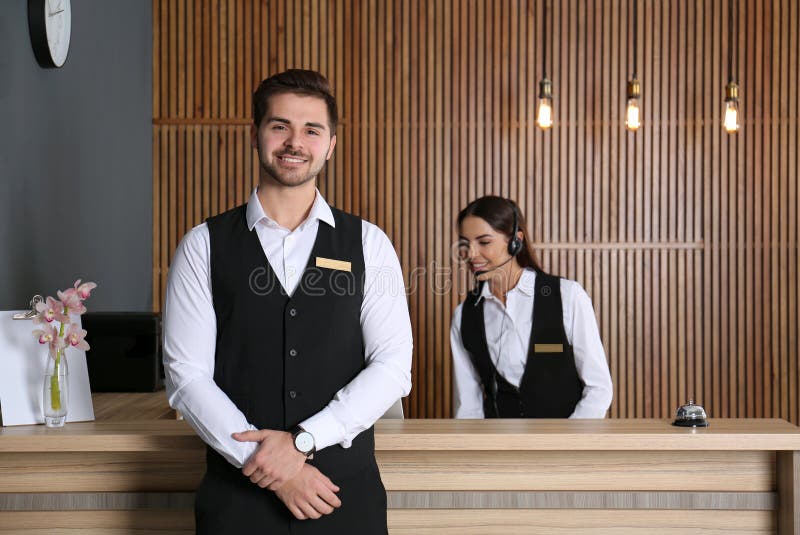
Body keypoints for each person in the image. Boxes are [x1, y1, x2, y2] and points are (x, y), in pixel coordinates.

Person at [163, 69, 412, 534]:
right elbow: (186, 375)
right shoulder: (203, 244)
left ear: (331, 144)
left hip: (342, 497)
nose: (295, 141)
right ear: (256, 134)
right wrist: (273, 468)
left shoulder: (370, 244)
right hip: (237, 501)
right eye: (280, 126)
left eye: (311, 129)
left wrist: (301, 443)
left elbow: (393, 366)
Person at [450, 196, 612, 418]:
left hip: (566, 445)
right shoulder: (464, 316)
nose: (471, 254)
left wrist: (568, 443)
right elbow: (468, 406)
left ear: (515, 241)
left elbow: (599, 389)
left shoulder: (568, 296)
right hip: (499, 449)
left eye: (484, 242)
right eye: (465, 244)